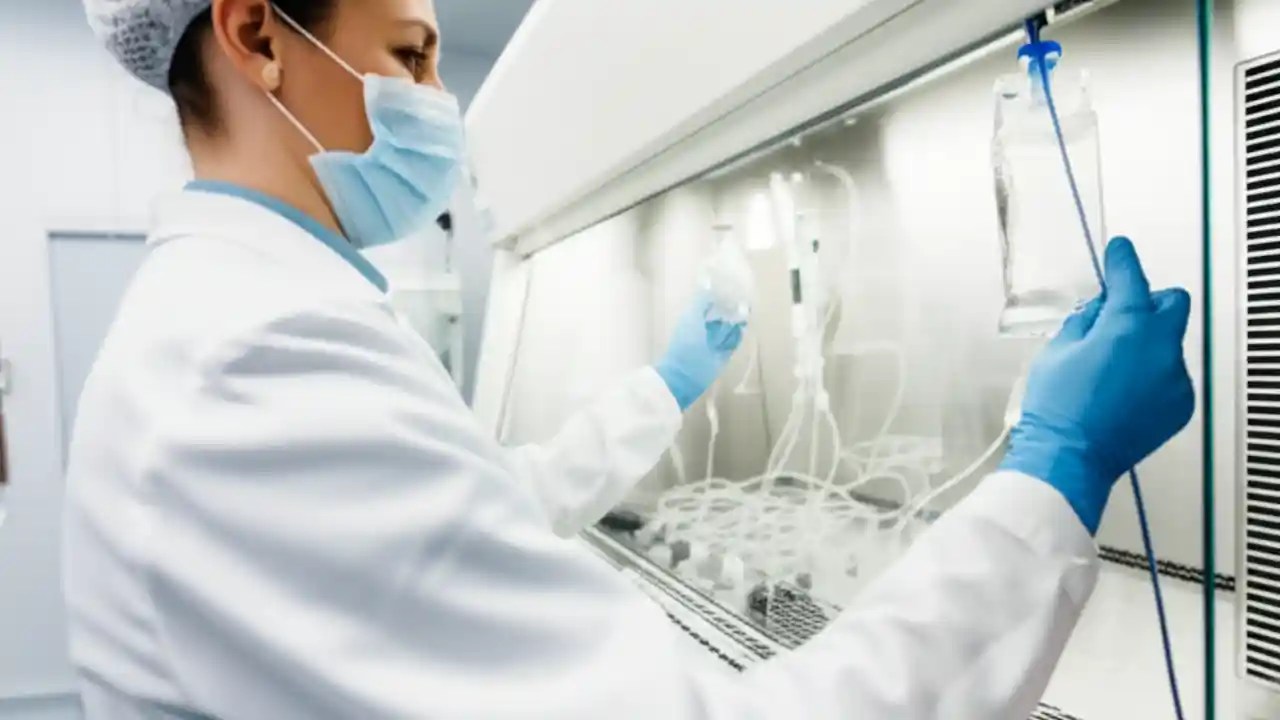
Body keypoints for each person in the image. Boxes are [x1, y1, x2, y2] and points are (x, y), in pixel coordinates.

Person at [66, 0, 1195, 717]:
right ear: (257, 35)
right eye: (410, 55)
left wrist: (664, 386)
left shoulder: (246, 321)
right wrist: (1053, 472)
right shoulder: (253, 362)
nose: (437, 100)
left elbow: (471, 509)